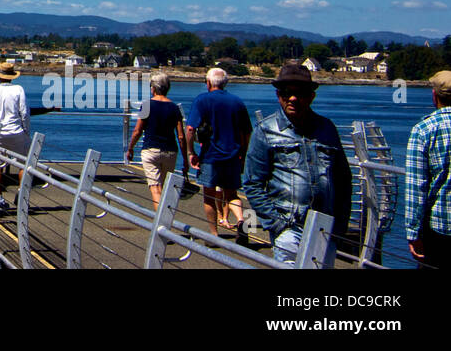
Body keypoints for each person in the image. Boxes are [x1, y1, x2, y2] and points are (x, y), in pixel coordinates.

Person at [243, 63, 351, 266]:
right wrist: (277, 224)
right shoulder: (266, 130)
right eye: (286, 93)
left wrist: (340, 226)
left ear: (311, 96)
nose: (292, 98)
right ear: (278, 95)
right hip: (288, 227)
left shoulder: (327, 129)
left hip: (325, 228)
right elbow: (252, 183)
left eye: (299, 93)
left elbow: (343, 179)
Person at [0, 62, 58, 211]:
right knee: (24, 164)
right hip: (17, 132)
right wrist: (26, 131)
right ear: (12, 76)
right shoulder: (18, 90)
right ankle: (21, 193)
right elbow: (24, 113)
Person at [186, 67, 252, 236]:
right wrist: (243, 156)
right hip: (233, 155)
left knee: (209, 196)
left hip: (210, 156)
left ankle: (214, 234)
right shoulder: (238, 102)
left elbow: (190, 129)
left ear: (208, 83)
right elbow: (246, 133)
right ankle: (241, 221)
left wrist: (190, 152)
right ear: (225, 83)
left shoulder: (202, 100)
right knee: (232, 194)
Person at [404, 70, 451, 268]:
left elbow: (417, 187)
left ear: (435, 95)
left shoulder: (424, 130)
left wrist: (413, 233)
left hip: (440, 228)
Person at [126, 72, 189, 208]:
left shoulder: (147, 105)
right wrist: (185, 159)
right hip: (170, 151)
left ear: (153, 88)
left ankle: (160, 223)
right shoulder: (174, 108)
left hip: (150, 150)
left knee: (156, 189)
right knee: (166, 188)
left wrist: (130, 148)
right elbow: (181, 136)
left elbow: (137, 131)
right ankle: (165, 219)